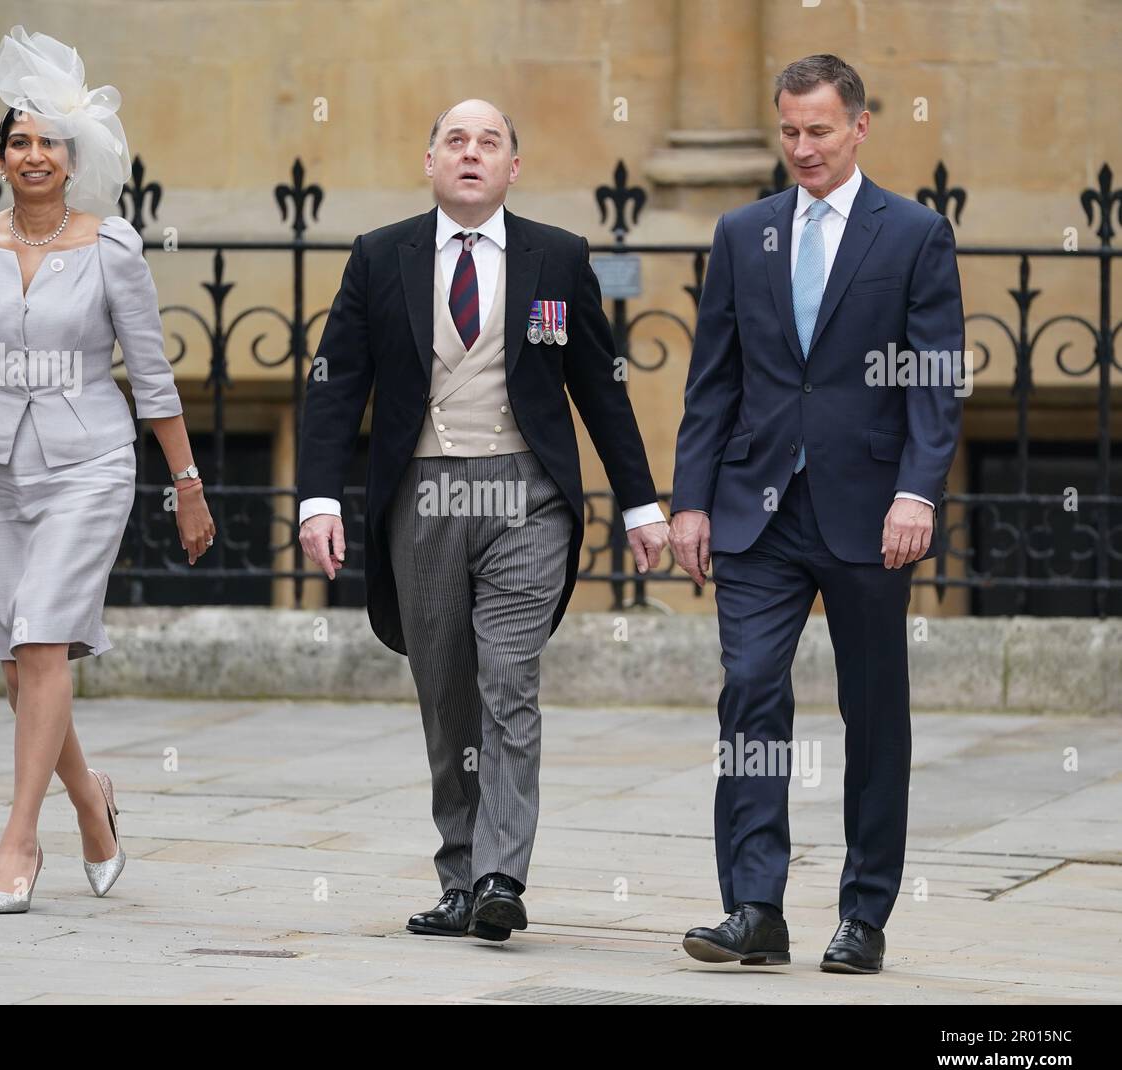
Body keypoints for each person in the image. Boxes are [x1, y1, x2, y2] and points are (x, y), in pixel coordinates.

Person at [297, 98, 668, 942]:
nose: (471, 154)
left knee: (509, 679)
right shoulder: (379, 256)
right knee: (447, 693)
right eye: (455, 142)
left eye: (489, 142)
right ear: (429, 163)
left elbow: (600, 389)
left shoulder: (559, 258)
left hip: (525, 496)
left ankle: (503, 875)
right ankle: (459, 873)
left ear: (512, 169)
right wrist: (319, 498)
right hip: (422, 494)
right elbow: (334, 384)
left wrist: (641, 501)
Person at [0, 26, 215, 913]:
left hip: (91, 464)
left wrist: (188, 485)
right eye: (19, 140)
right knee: (16, 664)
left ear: (74, 161)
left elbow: (152, 379)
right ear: (2, 155)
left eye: (48, 143)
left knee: (41, 638)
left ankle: (17, 840)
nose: (33, 155)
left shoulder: (111, 247)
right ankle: (92, 800)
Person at [671, 55, 964, 973]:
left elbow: (934, 380)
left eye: (820, 131)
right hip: (756, 512)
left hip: (871, 512)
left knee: (872, 710)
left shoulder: (913, 234)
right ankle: (754, 905)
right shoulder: (741, 232)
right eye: (790, 131)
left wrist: (917, 491)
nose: (802, 148)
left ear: (860, 127)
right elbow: (712, 379)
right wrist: (689, 499)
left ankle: (864, 915)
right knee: (751, 691)